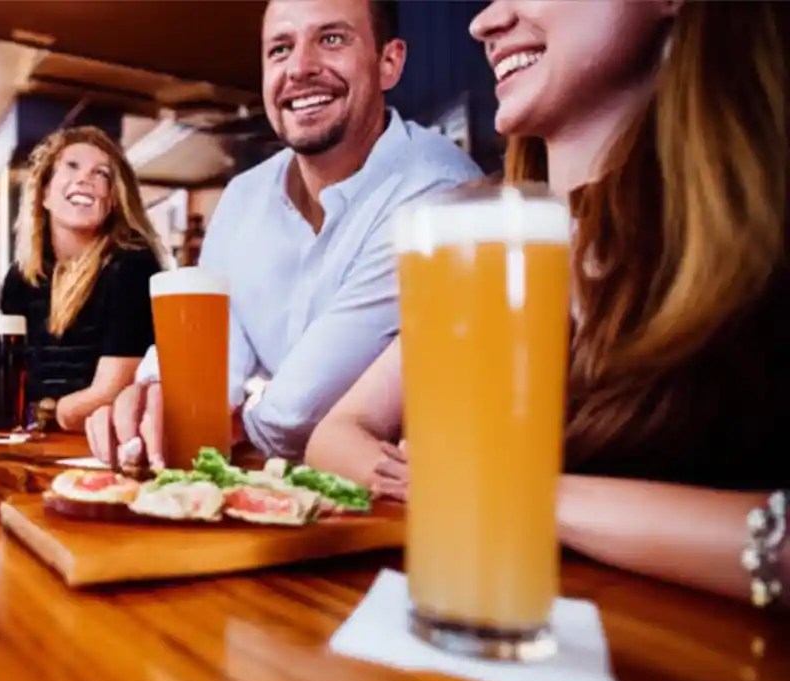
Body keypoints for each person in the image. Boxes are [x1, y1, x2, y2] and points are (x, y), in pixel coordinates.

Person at [305, 1, 789, 607]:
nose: (484, 23)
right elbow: (336, 432)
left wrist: (513, 492)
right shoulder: (492, 241)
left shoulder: (761, 237)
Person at [86, 0, 482, 465]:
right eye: (280, 49)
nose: (300, 68)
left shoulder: (438, 189)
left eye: (331, 39)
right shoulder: (243, 197)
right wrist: (149, 400)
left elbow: (294, 417)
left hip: (395, 505)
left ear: (389, 62)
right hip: (278, 495)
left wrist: (206, 422)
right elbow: (208, 363)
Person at [0, 126, 167, 431]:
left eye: (101, 173)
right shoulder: (20, 278)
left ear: (113, 199)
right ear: (45, 192)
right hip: (33, 444)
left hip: (104, 446)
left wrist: (45, 412)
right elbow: (8, 392)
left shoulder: (132, 266)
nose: (85, 178)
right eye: (72, 166)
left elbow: (111, 396)